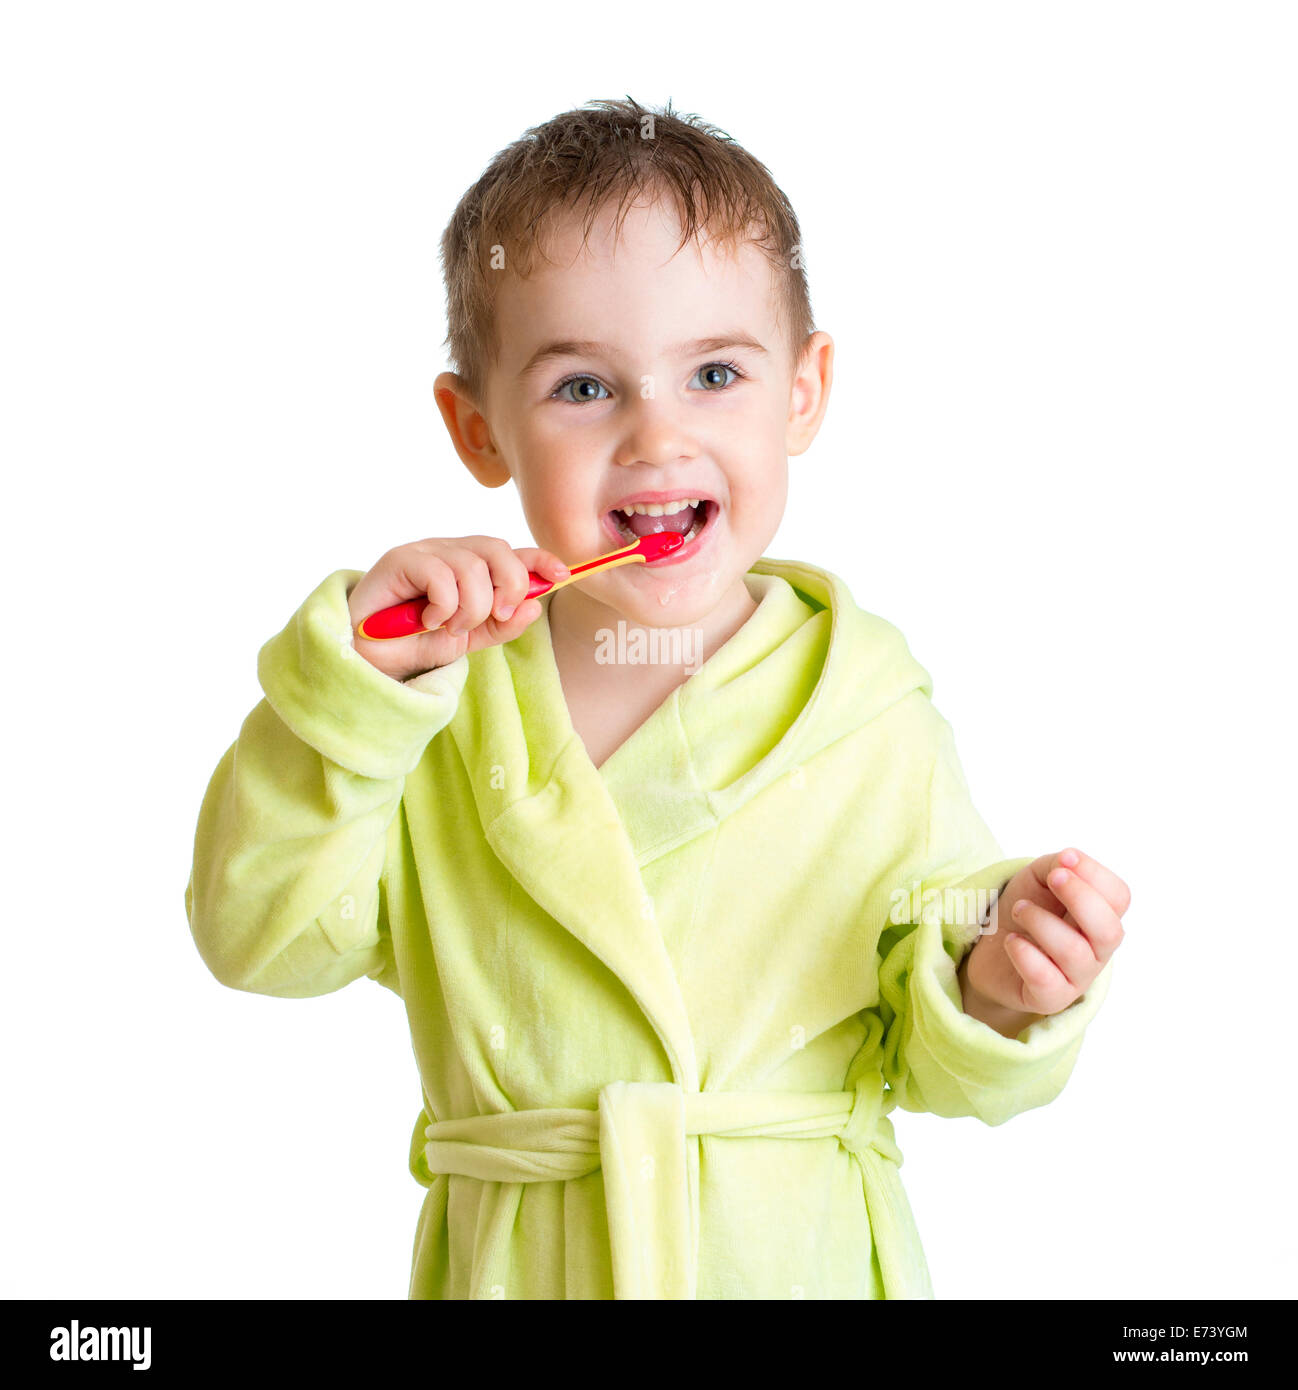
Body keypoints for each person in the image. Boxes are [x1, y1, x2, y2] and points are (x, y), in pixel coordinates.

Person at [184, 97, 1129, 1300]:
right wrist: (360, 691)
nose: (654, 436)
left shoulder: (866, 707)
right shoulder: (437, 698)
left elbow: (937, 1049)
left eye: (715, 373)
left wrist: (997, 986)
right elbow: (258, 940)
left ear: (802, 391)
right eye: (583, 388)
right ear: (478, 429)